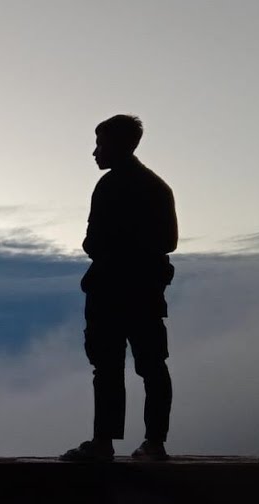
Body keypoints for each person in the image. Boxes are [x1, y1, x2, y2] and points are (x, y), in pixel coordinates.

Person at [61, 114, 177, 462]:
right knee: (151, 366)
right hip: (144, 292)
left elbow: (92, 243)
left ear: (119, 144)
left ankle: (103, 443)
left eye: (100, 144)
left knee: (110, 368)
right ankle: (154, 442)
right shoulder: (158, 187)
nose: (95, 152)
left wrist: (114, 250)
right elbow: (168, 242)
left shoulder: (110, 187)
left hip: (111, 292)